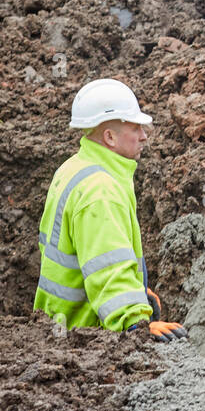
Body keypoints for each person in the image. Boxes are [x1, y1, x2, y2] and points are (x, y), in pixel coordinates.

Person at [33, 78, 187, 339]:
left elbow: (80, 255)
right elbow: (107, 268)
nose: (144, 136)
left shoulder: (75, 167)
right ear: (110, 137)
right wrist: (135, 322)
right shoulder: (100, 191)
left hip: (60, 325)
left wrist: (138, 291)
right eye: (136, 128)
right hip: (83, 337)